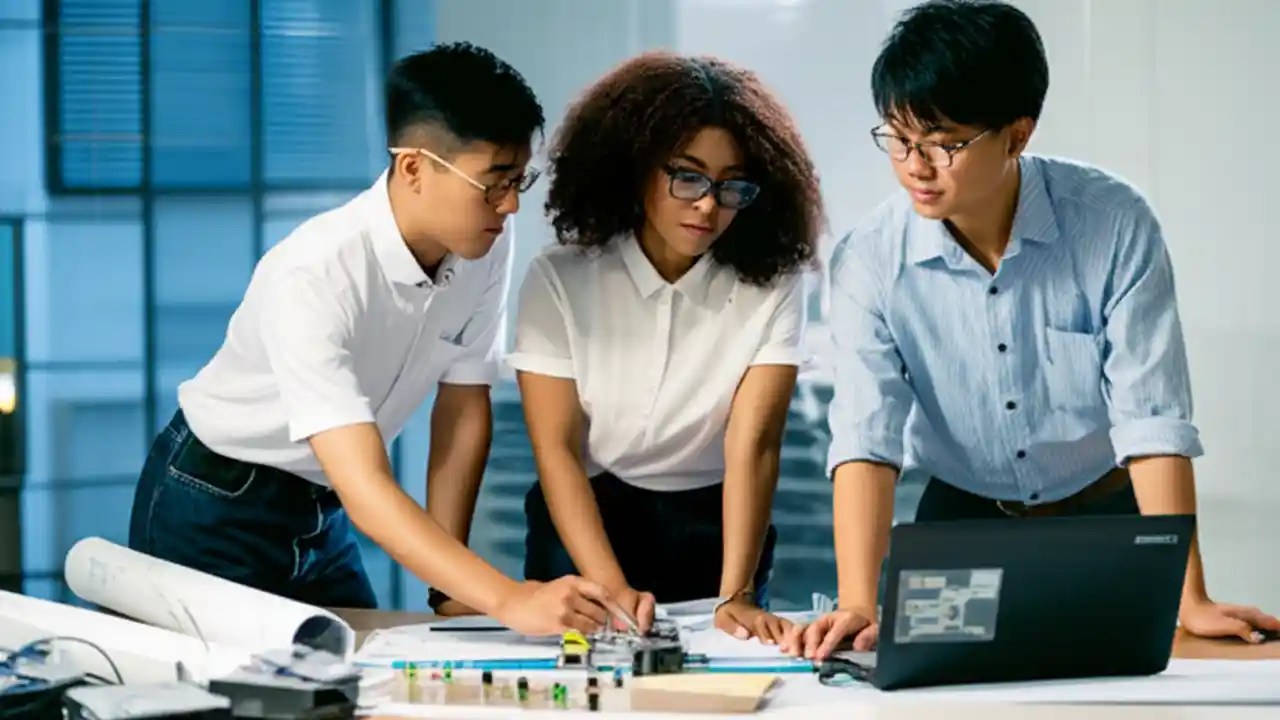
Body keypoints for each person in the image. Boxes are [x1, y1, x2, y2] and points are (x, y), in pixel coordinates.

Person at [789, 0, 1280, 659]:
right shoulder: (870, 259)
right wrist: (857, 600)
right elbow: (866, 438)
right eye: (899, 139)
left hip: (1107, 520)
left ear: (1017, 134)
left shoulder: (1112, 224)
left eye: (943, 144)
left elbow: (1152, 420)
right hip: (962, 523)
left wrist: (1189, 596)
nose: (915, 166)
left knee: (1143, 687)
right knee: (942, 697)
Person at [127, 42, 614, 636]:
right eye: (492, 182)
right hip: (215, 501)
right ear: (413, 168)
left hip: (321, 505)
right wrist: (507, 598)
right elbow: (367, 486)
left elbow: (462, 409)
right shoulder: (315, 273)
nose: (511, 205)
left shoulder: (484, 240)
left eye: (519, 180)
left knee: (367, 676)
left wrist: (451, 590)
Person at [508, 51, 825, 642]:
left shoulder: (773, 286)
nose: (708, 203)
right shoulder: (560, 278)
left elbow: (753, 443)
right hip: (586, 518)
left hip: (717, 525)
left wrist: (738, 592)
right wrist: (607, 586)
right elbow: (557, 449)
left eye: (732, 185)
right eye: (687, 176)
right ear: (636, 168)